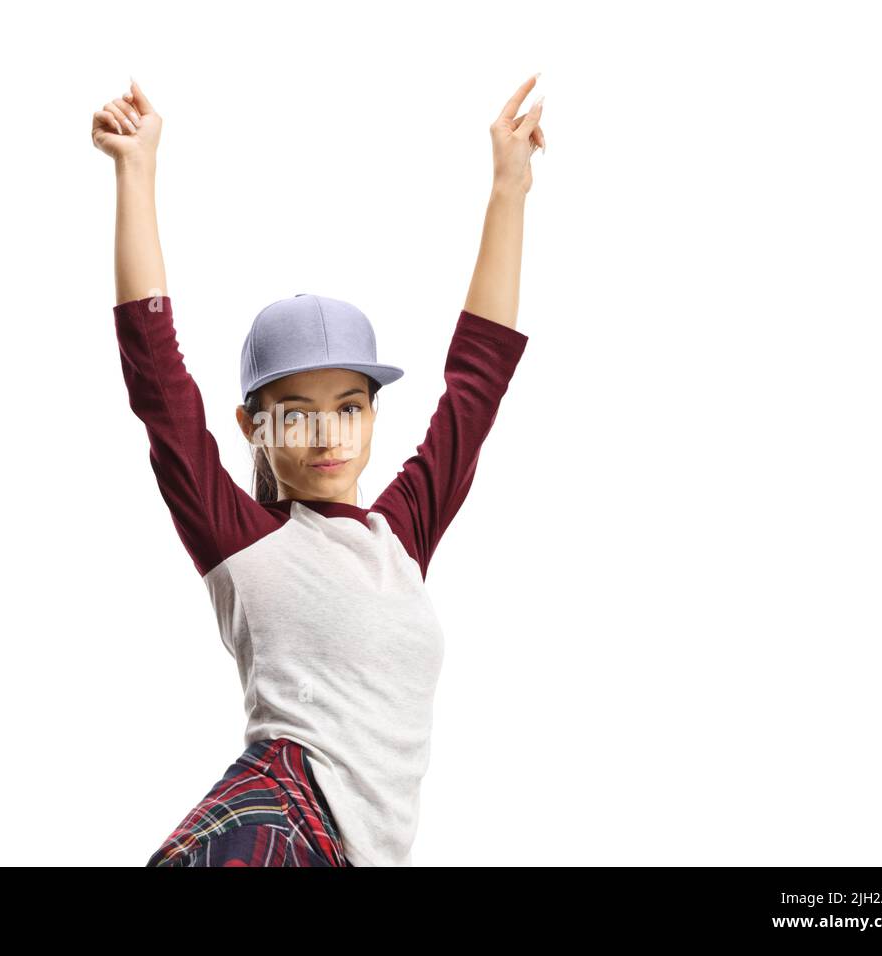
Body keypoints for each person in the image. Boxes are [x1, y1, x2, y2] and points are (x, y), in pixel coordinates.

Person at [93, 75, 545, 866]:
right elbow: (158, 382)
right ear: (254, 428)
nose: (326, 433)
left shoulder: (398, 538)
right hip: (277, 819)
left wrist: (509, 187)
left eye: (349, 405)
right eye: (296, 410)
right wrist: (137, 173)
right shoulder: (243, 538)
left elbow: (478, 382)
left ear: (372, 418)